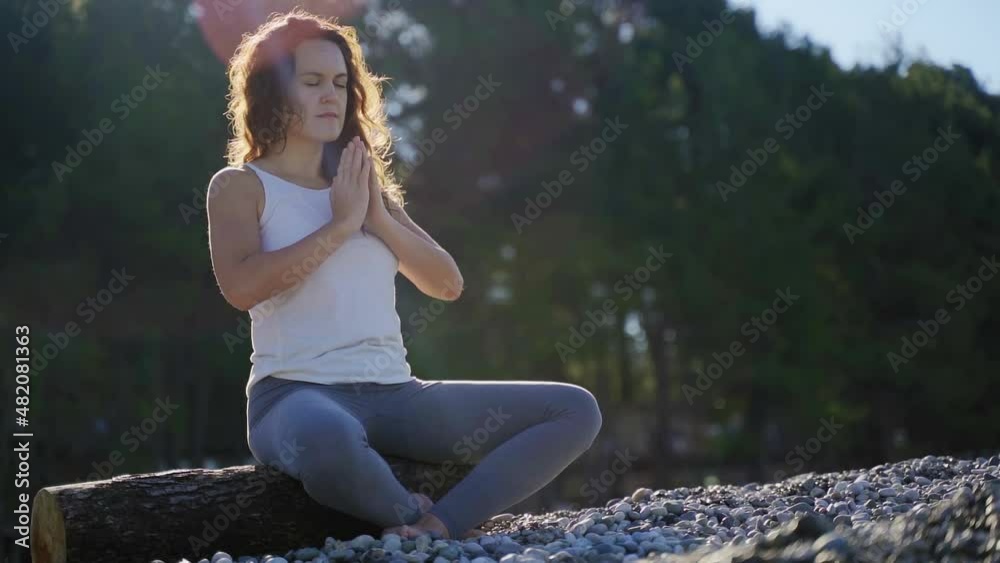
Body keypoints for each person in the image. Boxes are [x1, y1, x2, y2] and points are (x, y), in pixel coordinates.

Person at [205, 8, 602, 541]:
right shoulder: (239, 186)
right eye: (313, 81)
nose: (332, 95)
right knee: (327, 438)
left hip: (397, 395)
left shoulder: (362, 183)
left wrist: (375, 218)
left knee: (574, 409)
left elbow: (447, 283)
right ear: (273, 91)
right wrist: (340, 227)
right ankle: (406, 515)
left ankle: (441, 524)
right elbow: (242, 287)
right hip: (294, 396)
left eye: (341, 83)